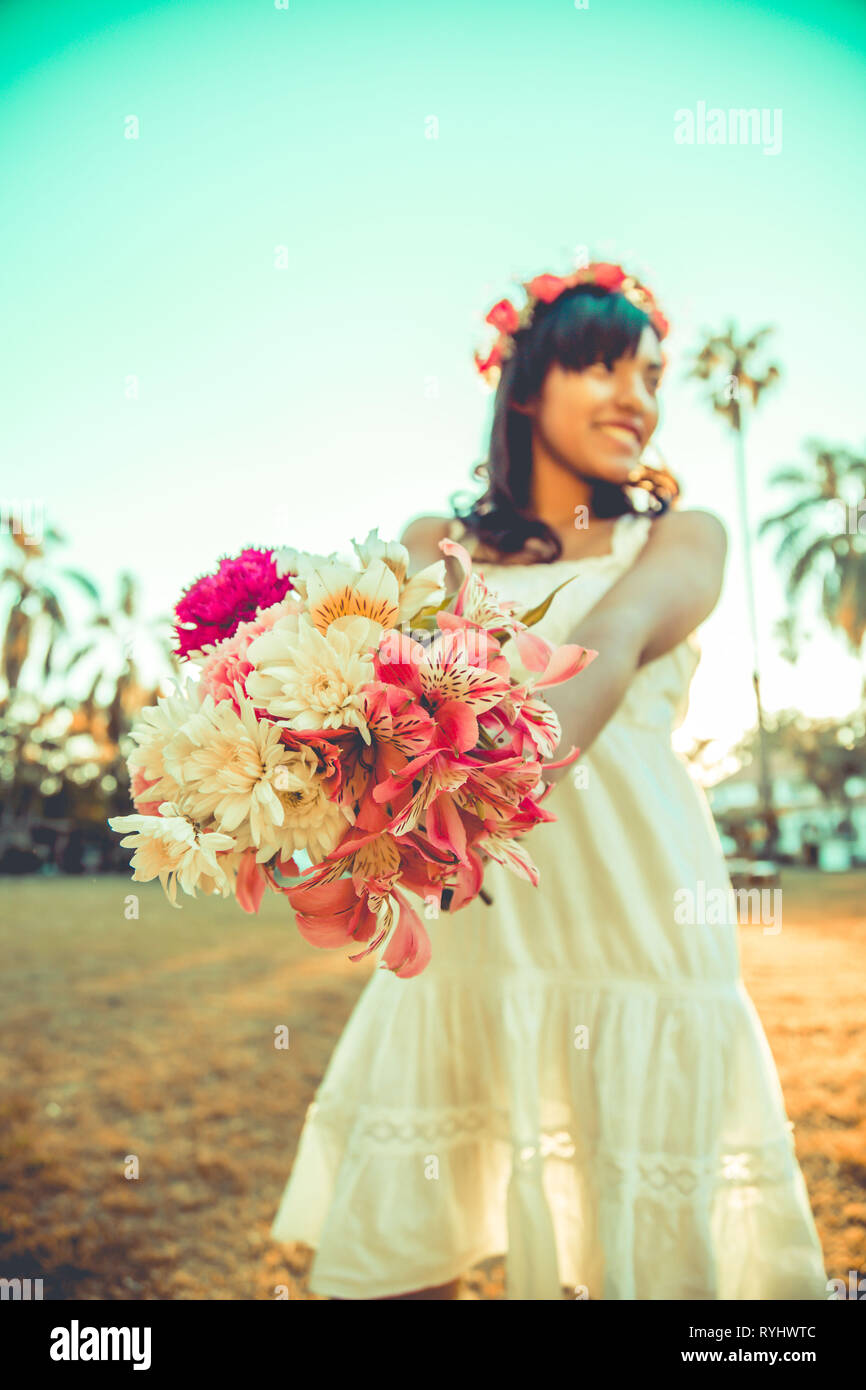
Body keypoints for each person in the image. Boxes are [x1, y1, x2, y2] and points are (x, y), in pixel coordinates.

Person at [269, 260, 827, 1300]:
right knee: (398, 1267)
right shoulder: (427, 549)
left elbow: (608, 643)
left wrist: (484, 782)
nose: (637, 399)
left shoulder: (678, 537)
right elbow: (362, 703)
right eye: (604, 367)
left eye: (651, 376)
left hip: (637, 924)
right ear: (525, 385)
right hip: (474, 938)